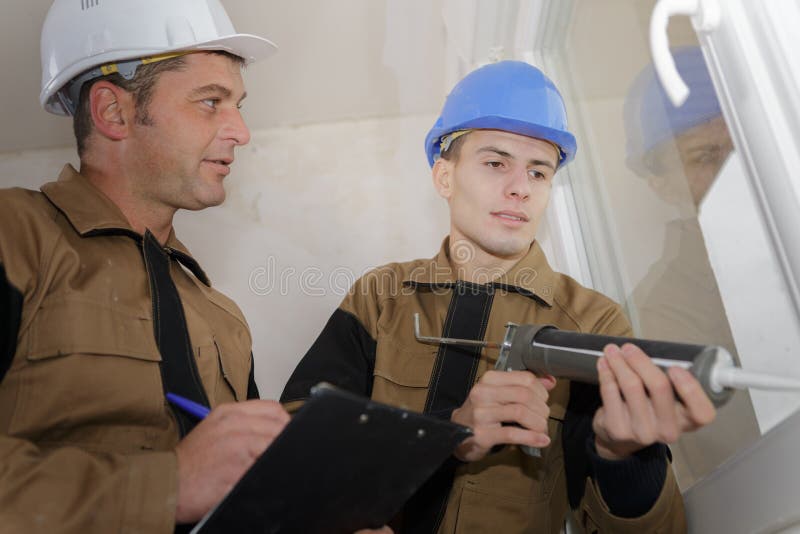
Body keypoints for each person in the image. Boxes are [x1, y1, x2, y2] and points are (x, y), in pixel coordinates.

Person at [0, 1, 389, 533]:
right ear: (113, 112)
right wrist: (168, 486)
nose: (241, 132)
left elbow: (245, 498)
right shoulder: (15, 234)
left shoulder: (221, 318)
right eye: (210, 102)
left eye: (238, 105)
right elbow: (190, 483)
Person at [281, 60, 718, 533]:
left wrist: (622, 457)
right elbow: (291, 454)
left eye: (538, 172)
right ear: (444, 177)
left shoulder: (592, 325)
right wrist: (447, 435)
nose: (519, 189)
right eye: (496, 163)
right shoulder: (380, 299)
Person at [624, 46, 760, 488]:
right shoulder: (660, 314)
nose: (735, 168)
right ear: (662, 185)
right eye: (705, 155)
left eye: (742, 143)